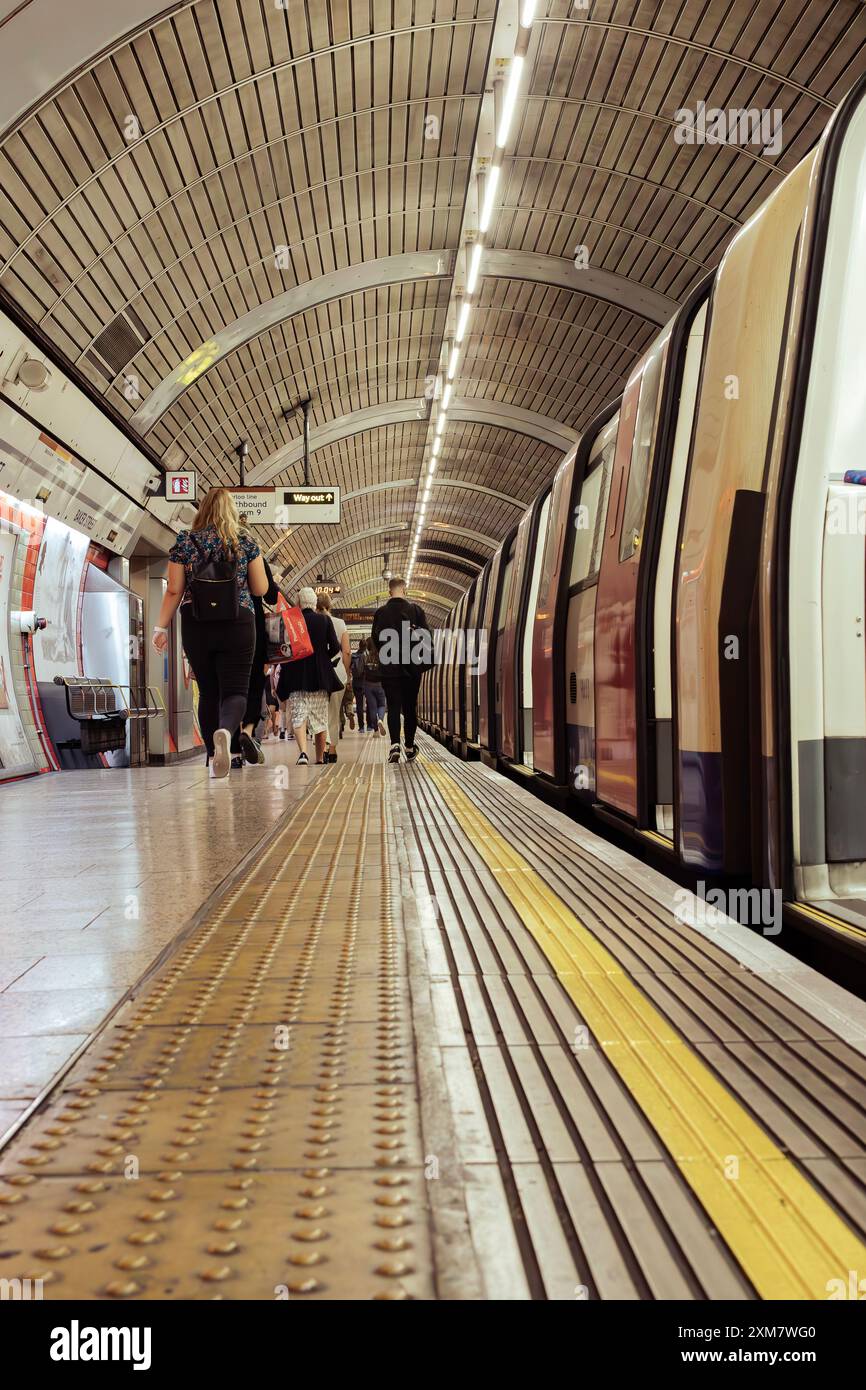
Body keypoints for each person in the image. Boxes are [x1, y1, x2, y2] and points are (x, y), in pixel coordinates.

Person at [152, 487, 269, 779]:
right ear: (231, 511)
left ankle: (211, 755)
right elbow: (260, 589)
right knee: (236, 691)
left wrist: (160, 627)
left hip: (196, 622)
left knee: (207, 690)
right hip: (238, 622)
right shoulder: (245, 541)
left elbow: (175, 589)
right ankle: (226, 733)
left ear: (202, 510)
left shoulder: (185, 541)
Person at [231, 526, 280, 768]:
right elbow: (270, 595)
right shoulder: (252, 551)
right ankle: (248, 731)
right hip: (251, 623)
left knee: (225, 687)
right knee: (252, 683)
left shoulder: (212, 549)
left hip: (216, 625)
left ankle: (228, 749)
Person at [276, 586, 341, 765]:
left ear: (298, 603)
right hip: (320, 676)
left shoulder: (292, 621)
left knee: (299, 715)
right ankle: (320, 758)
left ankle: (303, 753)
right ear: (314, 604)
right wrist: (322, 657)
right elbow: (335, 647)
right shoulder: (324, 621)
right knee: (321, 718)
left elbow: (284, 650)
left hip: (296, 675)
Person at [372, 576, 431, 764]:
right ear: (405, 590)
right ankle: (409, 746)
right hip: (411, 669)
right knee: (409, 708)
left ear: (390, 591)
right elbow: (426, 637)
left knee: (394, 707)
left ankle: (395, 745)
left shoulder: (381, 613)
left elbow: (375, 639)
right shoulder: (416, 611)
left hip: (389, 669)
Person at [316, 592, 350, 762]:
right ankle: (333, 749)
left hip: (319, 674)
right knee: (334, 713)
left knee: (319, 713)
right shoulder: (340, 623)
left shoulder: (313, 622)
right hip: (338, 673)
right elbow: (347, 651)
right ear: (330, 606)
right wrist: (347, 673)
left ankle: (321, 748)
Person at [358, 636, 387, 736]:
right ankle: (381, 720)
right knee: (382, 705)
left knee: (372, 707)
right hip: (380, 684)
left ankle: (375, 731)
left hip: (368, 685)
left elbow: (360, 671)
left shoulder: (364, 656)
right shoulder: (381, 655)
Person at [351, 641, 368, 731]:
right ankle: (369, 725)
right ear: (365, 647)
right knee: (369, 704)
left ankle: (361, 727)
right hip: (366, 683)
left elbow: (349, 669)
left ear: (359, 646)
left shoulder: (354, 656)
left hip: (356, 683)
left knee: (359, 705)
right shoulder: (367, 656)